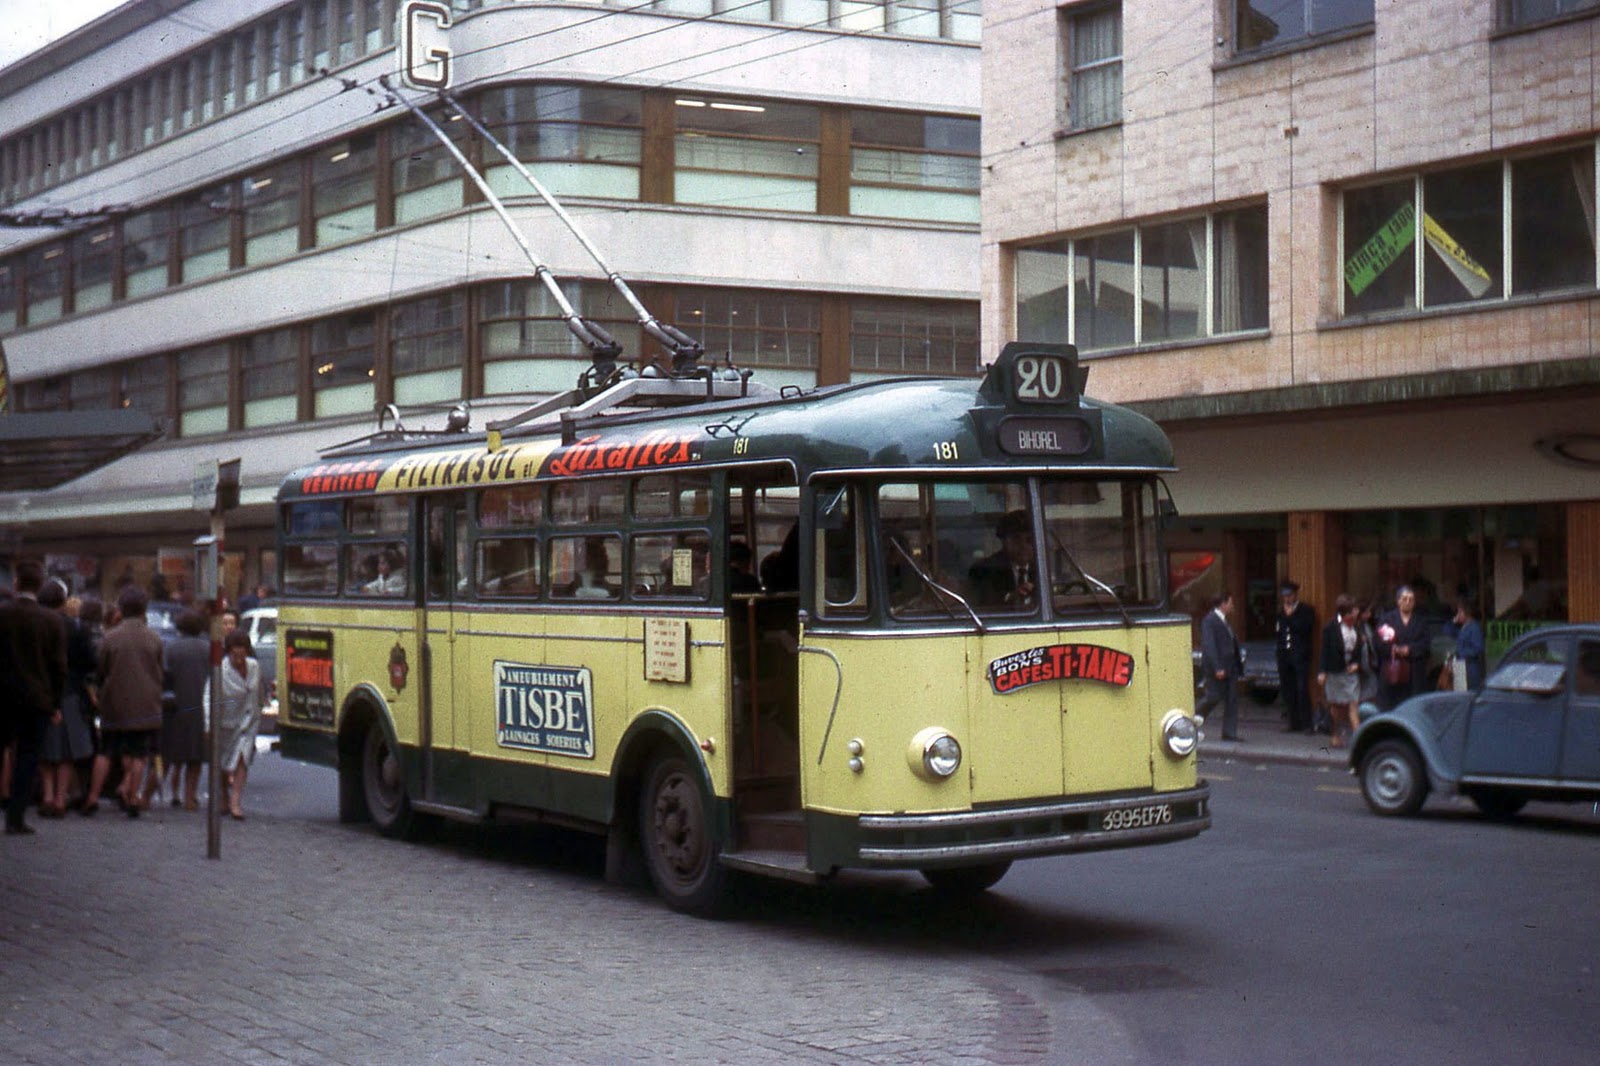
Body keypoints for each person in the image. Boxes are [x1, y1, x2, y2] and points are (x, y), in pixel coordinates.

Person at [84, 586, 165, 817]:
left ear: (121, 609)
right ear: (144, 610)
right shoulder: (155, 638)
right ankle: (132, 797)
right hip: (146, 705)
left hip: (114, 703)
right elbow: (159, 670)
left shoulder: (110, 638)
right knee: (139, 754)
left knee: (106, 751)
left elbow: (101, 671)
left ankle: (92, 797)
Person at [0, 561, 68, 835]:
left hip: (2, 697)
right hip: (37, 700)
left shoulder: (2, 615)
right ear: (39, 587)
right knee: (28, 757)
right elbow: (58, 668)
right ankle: (16, 818)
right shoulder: (51, 621)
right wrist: (55, 703)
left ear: (16, 583)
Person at [37, 581, 95, 818]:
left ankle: (48, 795)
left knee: (44, 747)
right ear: (63, 601)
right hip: (70, 691)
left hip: (39, 692)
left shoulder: (35, 624)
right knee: (68, 749)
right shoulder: (76, 628)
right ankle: (61, 797)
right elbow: (90, 661)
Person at [209, 629, 264, 820]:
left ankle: (235, 801)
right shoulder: (220, 671)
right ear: (228, 652)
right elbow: (209, 698)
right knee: (224, 763)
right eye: (234, 655)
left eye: (242, 655)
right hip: (225, 722)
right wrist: (208, 725)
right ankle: (224, 796)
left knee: (242, 759)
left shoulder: (254, 666)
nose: (239, 660)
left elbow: (257, 692)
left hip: (247, 721)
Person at [163, 609, 211, 811]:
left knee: (170, 755)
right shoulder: (208, 649)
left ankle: (157, 793)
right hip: (200, 706)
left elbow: (165, 677)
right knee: (195, 756)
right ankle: (190, 796)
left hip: (174, 707)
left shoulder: (170, 648)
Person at [1317, 594, 1363, 747]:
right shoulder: (1330, 628)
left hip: (1351, 674)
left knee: (1353, 705)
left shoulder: (1357, 626)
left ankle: (1359, 741)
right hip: (1335, 672)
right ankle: (1335, 734)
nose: (1356, 612)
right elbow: (1324, 651)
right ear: (1345, 612)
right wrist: (1322, 671)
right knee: (1336, 706)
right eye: (1353, 610)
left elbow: (1360, 651)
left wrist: (1357, 664)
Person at [968, 509, 1037, 609]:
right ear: (1003, 540)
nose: (1023, 546)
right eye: (1016, 539)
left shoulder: (1042, 571)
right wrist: (1010, 598)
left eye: (1029, 540)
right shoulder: (983, 570)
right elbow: (980, 605)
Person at [1197, 593, 1244, 741]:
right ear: (1223, 604)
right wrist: (1217, 667)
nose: (1232, 605)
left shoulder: (1224, 621)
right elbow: (1210, 645)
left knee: (1232, 699)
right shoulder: (1210, 621)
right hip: (1218, 667)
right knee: (1213, 696)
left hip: (1230, 666)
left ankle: (1229, 733)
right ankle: (1194, 718)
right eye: (1230, 602)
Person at [1377, 585, 1430, 710]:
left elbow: (1426, 644)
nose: (1408, 602)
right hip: (1392, 671)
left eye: (1411, 599)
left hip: (1414, 673)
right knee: (1391, 707)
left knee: (1414, 707)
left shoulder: (1421, 621)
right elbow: (1379, 643)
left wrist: (1410, 650)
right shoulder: (1387, 619)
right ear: (1398, 601)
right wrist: (1393, 649)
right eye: (1405, 599)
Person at [1275, 581, 1316, 733]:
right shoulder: (1280, 612)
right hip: (1284, 656)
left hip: (1300, 655)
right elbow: (1279, 632)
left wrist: (1290, 617)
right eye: (1284, 596)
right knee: (1288, 689)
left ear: (1295, 595)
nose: (1287, 599)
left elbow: (1304, 628)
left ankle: (1307, 723)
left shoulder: (1306, 610)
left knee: (1302, 689)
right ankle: (1293, 723)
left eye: (1289, 596)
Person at [1453, 600, 1487, 691]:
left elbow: (1478, 648)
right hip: (1461, 667)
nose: (1458, 615)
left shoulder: (1474, 628)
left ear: (1466, 613)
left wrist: (1462, 653)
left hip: (1471, 668)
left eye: (1460, 612)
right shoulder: (1463, 627)